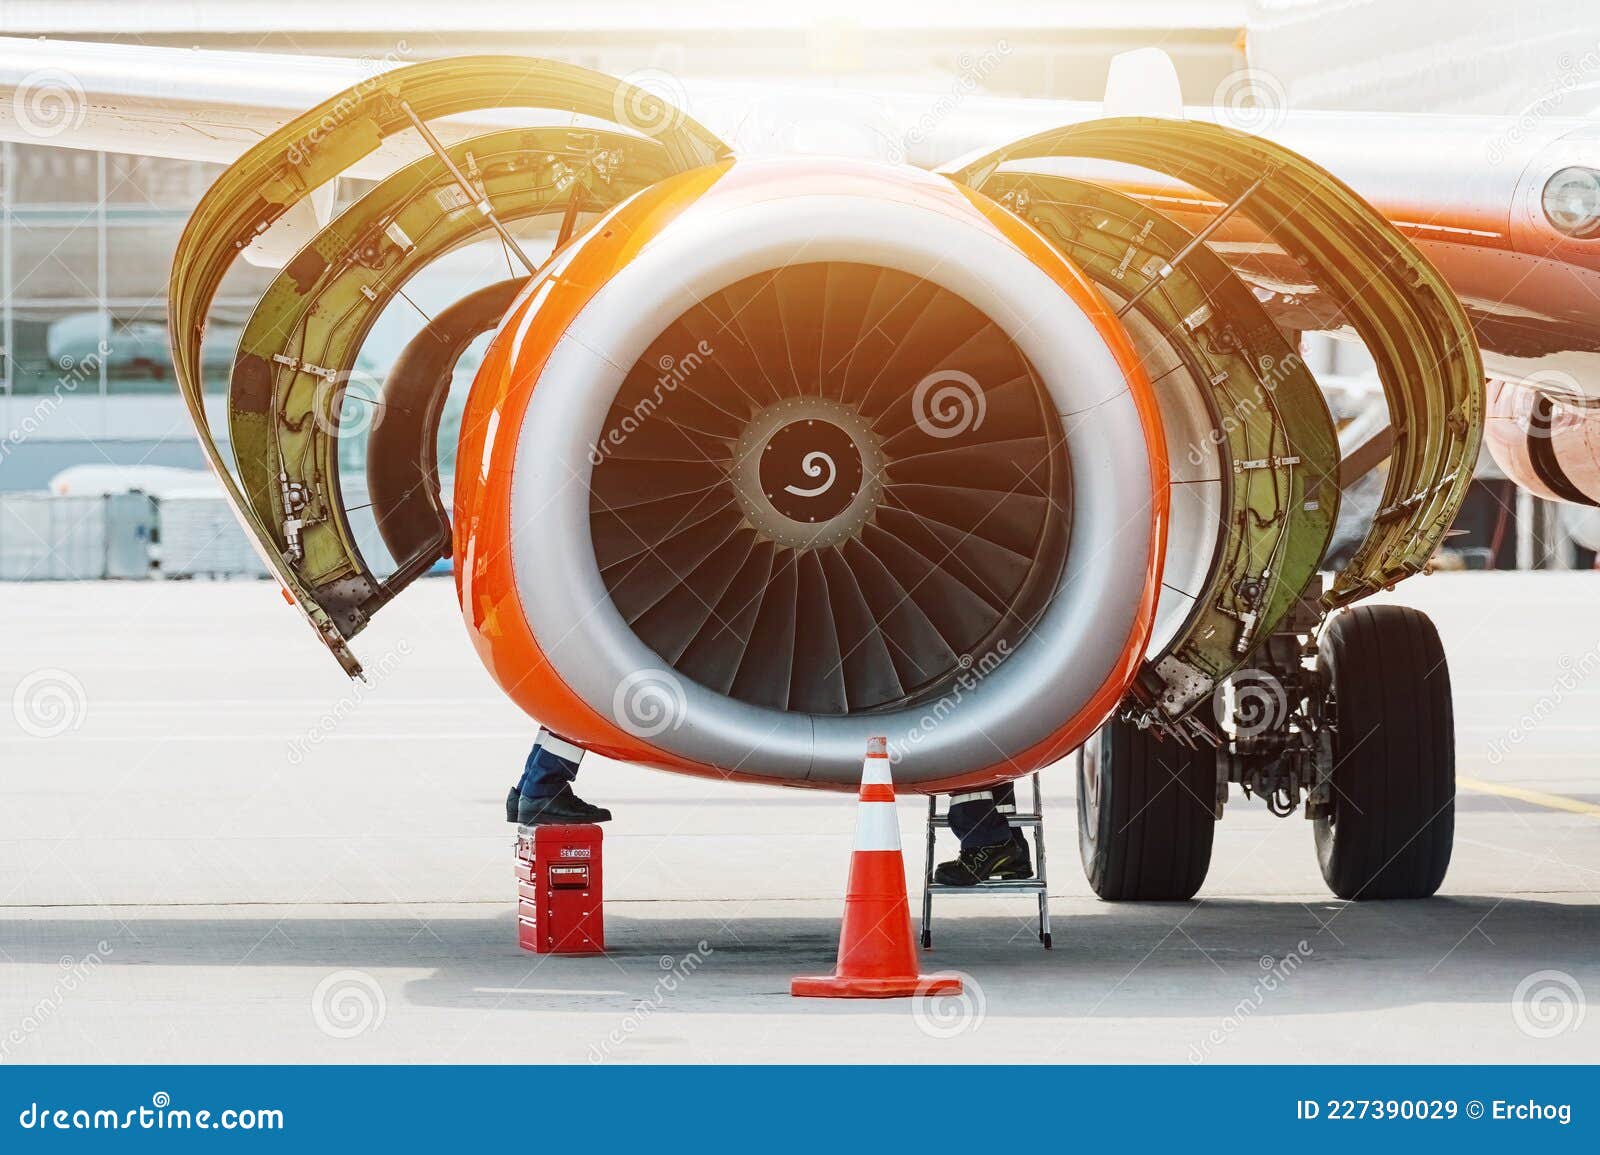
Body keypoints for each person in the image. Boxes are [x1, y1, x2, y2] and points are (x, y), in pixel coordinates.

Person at [505, 728, 612, 826]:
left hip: (532, 794)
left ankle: (530, 790)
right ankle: (543, 792)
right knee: (577, 714)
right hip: (542, 796)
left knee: (557, 714)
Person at [932, 782, 1033, 885]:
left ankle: (985, 844)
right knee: (995, 773)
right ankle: (1010, 855)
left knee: (966, 770)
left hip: (985, 837)